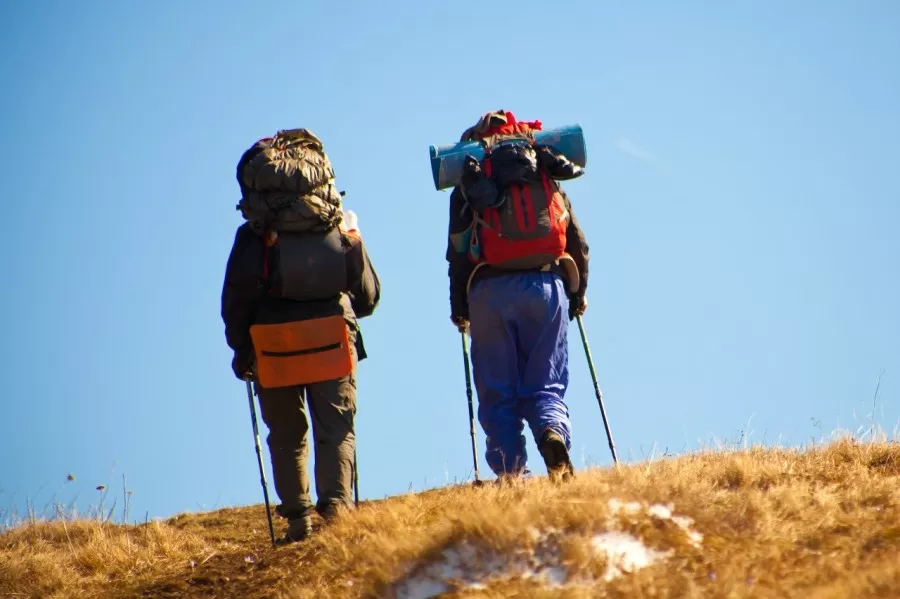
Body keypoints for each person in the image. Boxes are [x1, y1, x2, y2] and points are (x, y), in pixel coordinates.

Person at [222, 129, 380, 543]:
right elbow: (367, 297)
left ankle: (299, 519)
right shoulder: (340, 223)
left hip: (273, 344)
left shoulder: (253, 235)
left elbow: (236, 299)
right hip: (331, 335)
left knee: (287, 434)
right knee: (337, 426)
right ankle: (336, 509)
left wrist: (243, 351)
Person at [445, 110, 590, 482]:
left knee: (498, 392)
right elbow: (578, 241)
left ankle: (512, 474)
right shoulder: (543, 169)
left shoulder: (471, 179)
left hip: (488, 292)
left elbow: (458, 251)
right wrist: (578, 294)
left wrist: (460, 308)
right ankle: (551, 431)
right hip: (546, 287)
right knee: (546, 382)